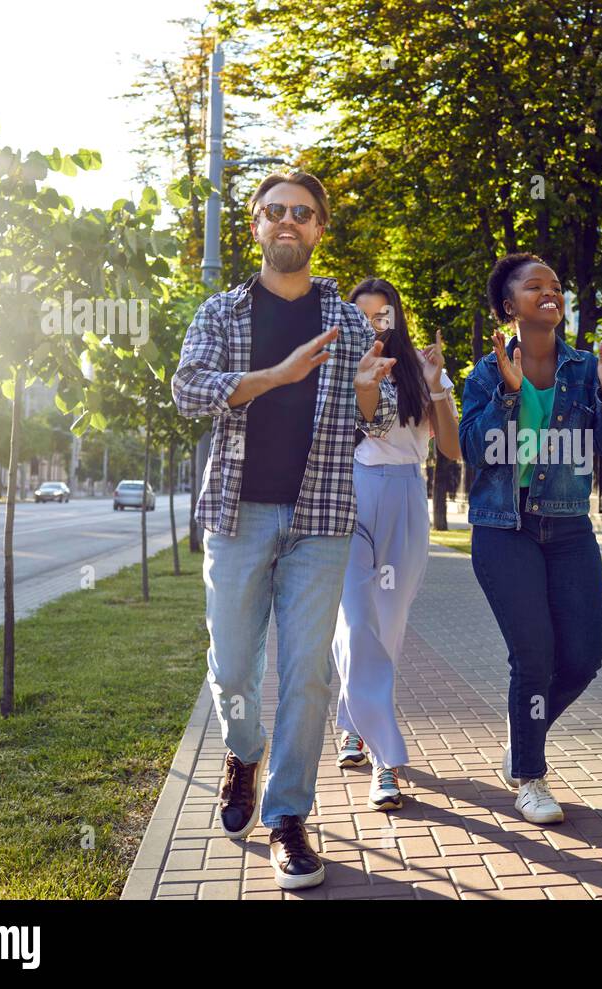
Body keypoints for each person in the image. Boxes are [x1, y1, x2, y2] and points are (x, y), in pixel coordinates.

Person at [172, 170, 397, 890]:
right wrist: (273, 376)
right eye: (276, 212)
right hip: (238, 515)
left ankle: (289, 814)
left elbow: (383, 413)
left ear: (321, 228)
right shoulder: (222, 311)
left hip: (322, 518)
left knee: (308, 674)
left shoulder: (350, 317)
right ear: (256, 225)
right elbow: (187, 388)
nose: (289, 222)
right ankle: (244, 752)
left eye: (303, 213)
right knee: (233, 666)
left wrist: (367, 393)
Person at [458, 252, 602, 826]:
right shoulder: (484, 374)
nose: (551, 293)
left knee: (582, 660)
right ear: (509, 307)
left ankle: (521, 737)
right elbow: (476, 452)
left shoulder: (585, 369)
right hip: (503, 528)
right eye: (535, 287)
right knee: (533, 657)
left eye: (556, 285)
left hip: (567, 526)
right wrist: (508, 396)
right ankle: (530, 775)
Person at [331, 277, 461, 812]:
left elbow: (451, 449)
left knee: (387, 625)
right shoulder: (339, 368)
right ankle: (386, 760)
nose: (374, 323)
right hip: (351, 496)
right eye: (362, 315)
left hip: (407, 497)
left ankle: (351, 722)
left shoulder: (421, 367)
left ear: (397, 317)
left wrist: (435, 386)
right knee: (356, 620)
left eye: (383, 314)